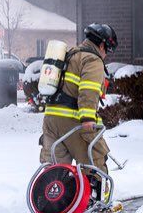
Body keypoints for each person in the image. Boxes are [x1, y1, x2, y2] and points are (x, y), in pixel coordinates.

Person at [40, 23, 117, 172]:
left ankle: (56, 194)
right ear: (102, 45)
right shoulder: (92, 60)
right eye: (107, 50)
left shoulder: (69, 55)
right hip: (73, 121)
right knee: (93, 162)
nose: (106, 54)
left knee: (55, 171)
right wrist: (88, 119)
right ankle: (96, 194)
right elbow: (89, 91)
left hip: (50, 120)